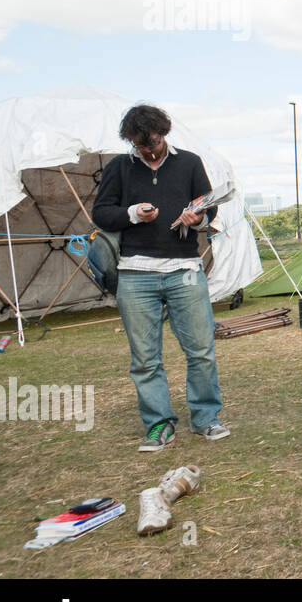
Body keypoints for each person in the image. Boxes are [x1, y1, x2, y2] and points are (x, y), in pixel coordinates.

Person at [92, 105, 228, 451]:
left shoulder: (190, 162)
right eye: (140, 145)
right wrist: (132, 214)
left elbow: (208, 206)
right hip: (135, 273)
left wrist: (195, 218)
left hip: (183, 268)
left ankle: (205, 417)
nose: (148, 150)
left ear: (164, 133)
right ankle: (158, 424)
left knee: (201, 350)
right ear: (131, 142)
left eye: (152, 142)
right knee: (144, 358)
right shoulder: (120, 167)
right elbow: (102, 214)